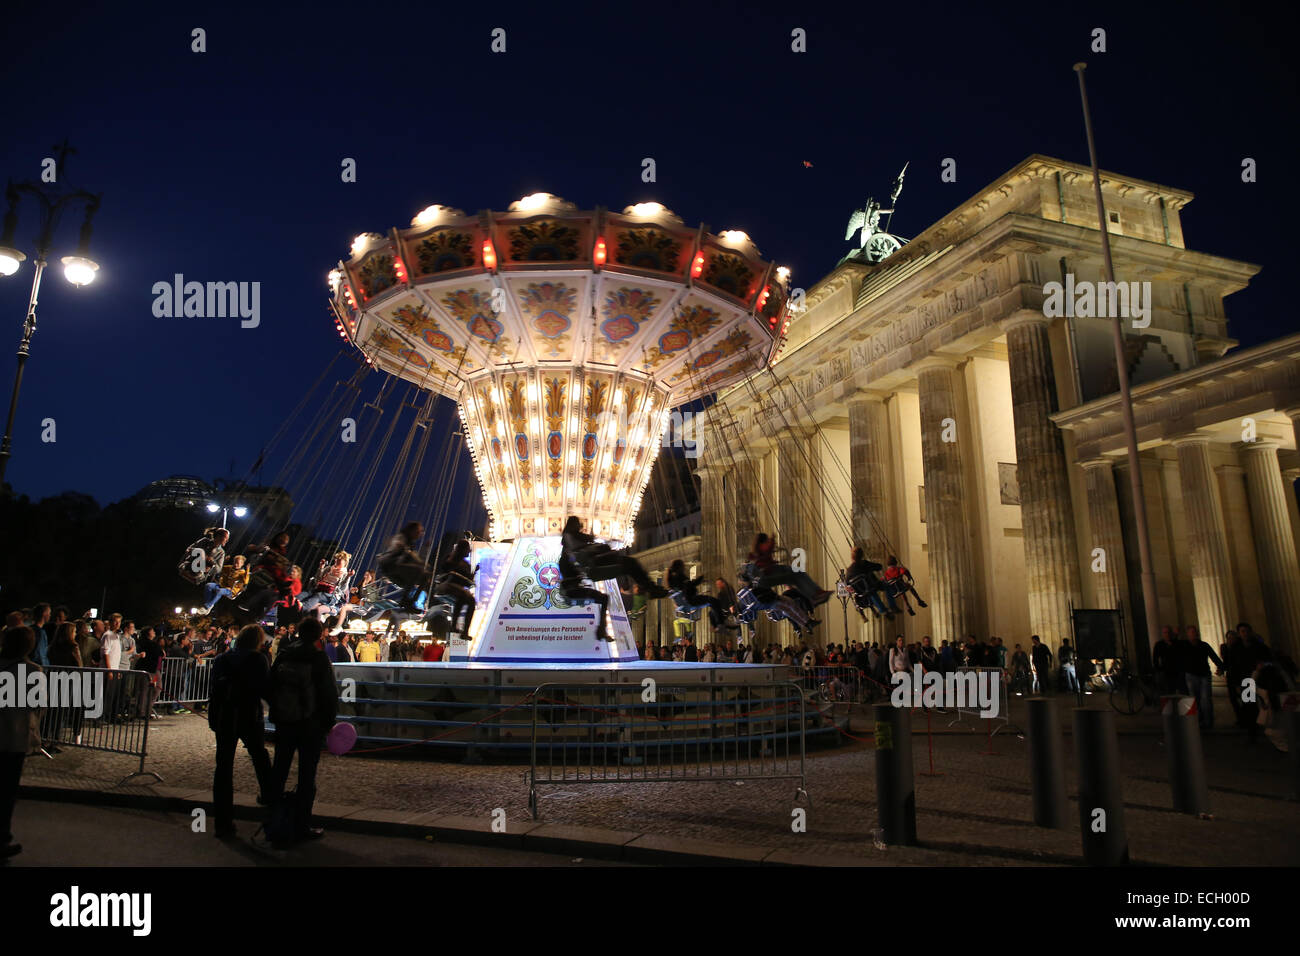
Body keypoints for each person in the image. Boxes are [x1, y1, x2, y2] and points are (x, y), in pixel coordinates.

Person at [267, 618, 338, 847]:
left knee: (279, 770)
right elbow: (328, 693)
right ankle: (301, 825)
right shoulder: (318, 658)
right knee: (307, 775)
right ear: (319, 635)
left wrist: (278, 712)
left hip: (285, 722)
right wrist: (327, 723)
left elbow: (271, 685)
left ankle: (273, 822)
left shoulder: (285, 654)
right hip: (310, 723)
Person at [209, 625, 274, 840]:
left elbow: (215, 692)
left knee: (224, 767)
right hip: (248, 713)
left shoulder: (222, 659)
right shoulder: (258, 660)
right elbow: (265, 689)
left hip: (225, 715)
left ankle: (223, 822)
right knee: (259, 757)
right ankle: (270, 802)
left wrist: (213, 718)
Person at [0, 626, 42, 860]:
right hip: (13, 737)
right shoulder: (31, 671)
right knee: (6, 791)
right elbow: (37, 703)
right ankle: (1, 837)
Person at [747, 533, 832, 606]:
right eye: (767, 540)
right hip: (768, 575)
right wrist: (772, 539)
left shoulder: (756, 552)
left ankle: (815, 594)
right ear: (763, 541)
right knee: (795, 575)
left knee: (796, 573)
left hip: (769, 573)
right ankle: (814, 595)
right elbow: (767, 548)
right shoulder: (761, 547)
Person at [666, 560, 736, 632]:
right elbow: (691, 584)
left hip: (684, 603)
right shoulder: (679, 577)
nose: (684, 568)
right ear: (679, 567)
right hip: (690, 601)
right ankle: (721, 624)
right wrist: (702, 577)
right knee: (714, 601)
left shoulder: (671, 579)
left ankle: (717, 625)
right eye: (683, 566)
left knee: (712, 605)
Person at [378, 522, 434, 607]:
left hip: (399, 568)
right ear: (412, 531)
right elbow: (399, 547)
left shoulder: (409, 544)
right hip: (390, 565)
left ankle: (412, 601)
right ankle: (404, 599)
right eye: (419, 532)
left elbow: (413, 557)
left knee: (426, 576)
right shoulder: (401, 537)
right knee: (419, 570)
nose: (421, 534)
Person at [1182, 625, 1224, 733]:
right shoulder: (1185, 646)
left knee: (1206, 699)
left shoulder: (1204, 645)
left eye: (1194, 632)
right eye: (1191, 632)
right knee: (1194, 699)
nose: (1193, 634)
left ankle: (1208, 722)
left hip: (1203, 674)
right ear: (1188, 634)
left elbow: (1214, 656)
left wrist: (1220, 667)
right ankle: (1199, 721)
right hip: (1191, 675)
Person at [434, 540, 477, 636]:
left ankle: (463, 630)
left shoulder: (466, 564)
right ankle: (455, 626)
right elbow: (445, 568)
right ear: (462, 549)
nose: (469, 551)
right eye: (467, 549)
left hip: (458, 590)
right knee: (466, 597)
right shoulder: (451, 558)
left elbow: (468, 581)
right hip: (447, 585)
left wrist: (474, 573)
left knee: (467, 600)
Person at [184, 527, 230, 611]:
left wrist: (211, 562)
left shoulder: (221, 552)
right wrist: (202, 556)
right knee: (201, 552)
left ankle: (198, 571)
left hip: (201, 572)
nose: (226, 541)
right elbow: (189, 549)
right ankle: (194, 567)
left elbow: (218, 569)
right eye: (225, 538)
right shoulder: (205, 541)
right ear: (218, 537)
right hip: (190, 563)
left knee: (205, 561)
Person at [844, 548, 897, 619]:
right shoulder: (864, 563)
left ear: (852, 557)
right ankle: (892, 606)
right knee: (887, 586)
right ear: (861, 555)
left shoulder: (849, 570)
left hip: (861, 591)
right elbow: (879, 567)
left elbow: (847, 584)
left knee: (871, 592)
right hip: (873, 585)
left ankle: (883, 610)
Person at [1152, 625, 1182, 695]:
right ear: (1162, 634)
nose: (1167, 634)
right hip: (1165, 672)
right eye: (1165, 633)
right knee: (1168, 692)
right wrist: (1159, 670)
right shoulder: (1159, 645)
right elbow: (1155, 658)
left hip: (1176, 671)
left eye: (1168, 632)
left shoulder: (1175, 643)